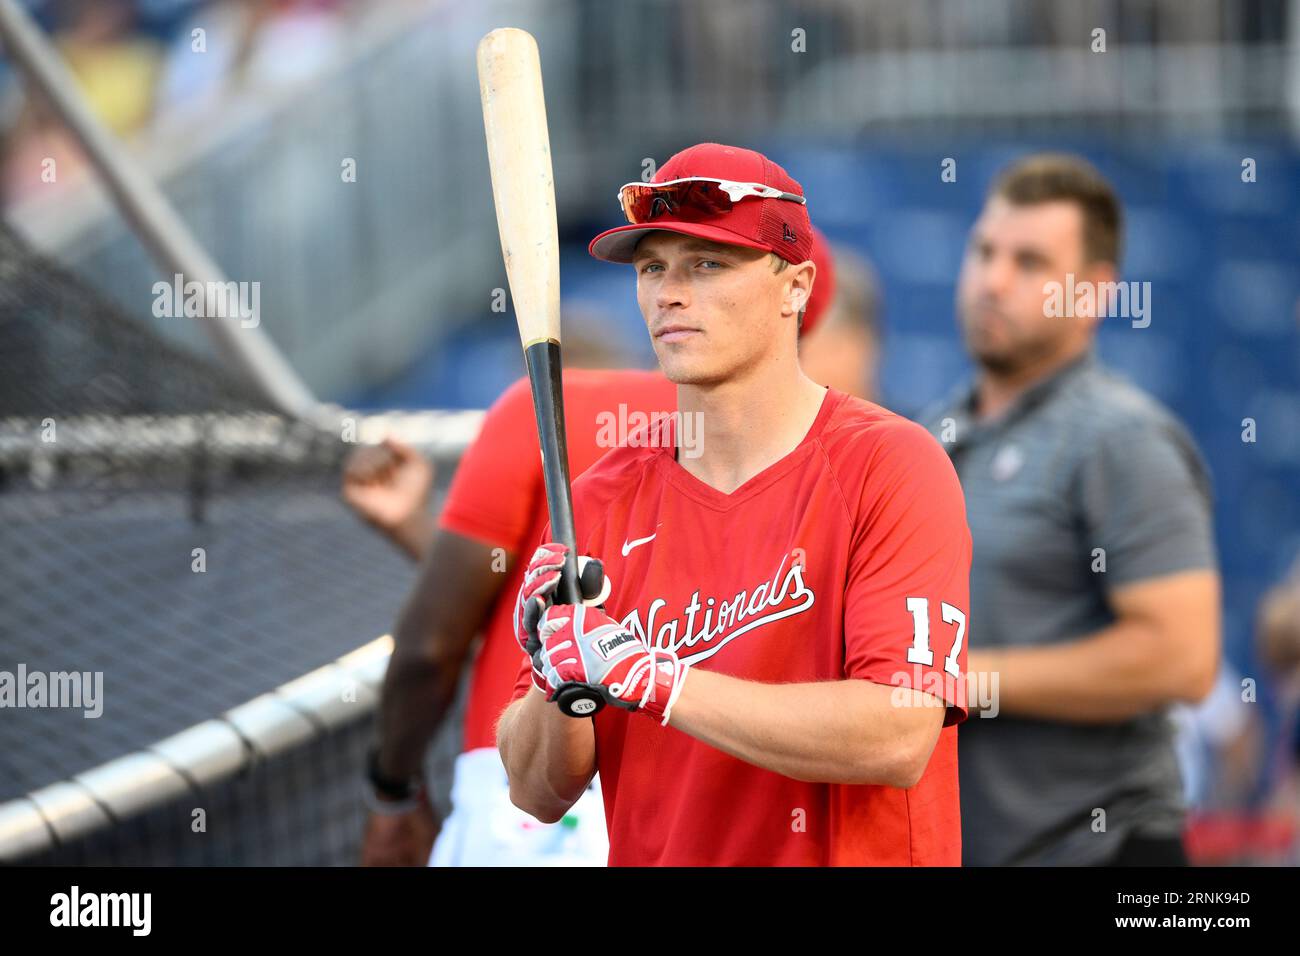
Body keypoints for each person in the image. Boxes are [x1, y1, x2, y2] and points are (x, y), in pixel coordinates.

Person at [496, 142, 971, 866]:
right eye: (653, 267)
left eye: (707, 265)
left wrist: (659, 680)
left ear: (795, 287)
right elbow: (536, 790)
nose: (669, 293)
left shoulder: (891, 464)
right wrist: (555, 677)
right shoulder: (599, 501)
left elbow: (899, 732)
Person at [345, 231, 845, 866]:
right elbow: (580, 596)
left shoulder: (552, 404)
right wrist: (421, 528)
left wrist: (392, 794)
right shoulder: (831, 461)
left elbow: (430, 645)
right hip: (704, 814)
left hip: (534, 807)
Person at [920, 153, 1220, 866]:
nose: (993, 281)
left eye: (1029, 263)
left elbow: (1183, 659)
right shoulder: (929, 433)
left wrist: (967, 682)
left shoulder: (1121, 438)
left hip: (1105, 852)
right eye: (984, 251)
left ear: (1092, 294)